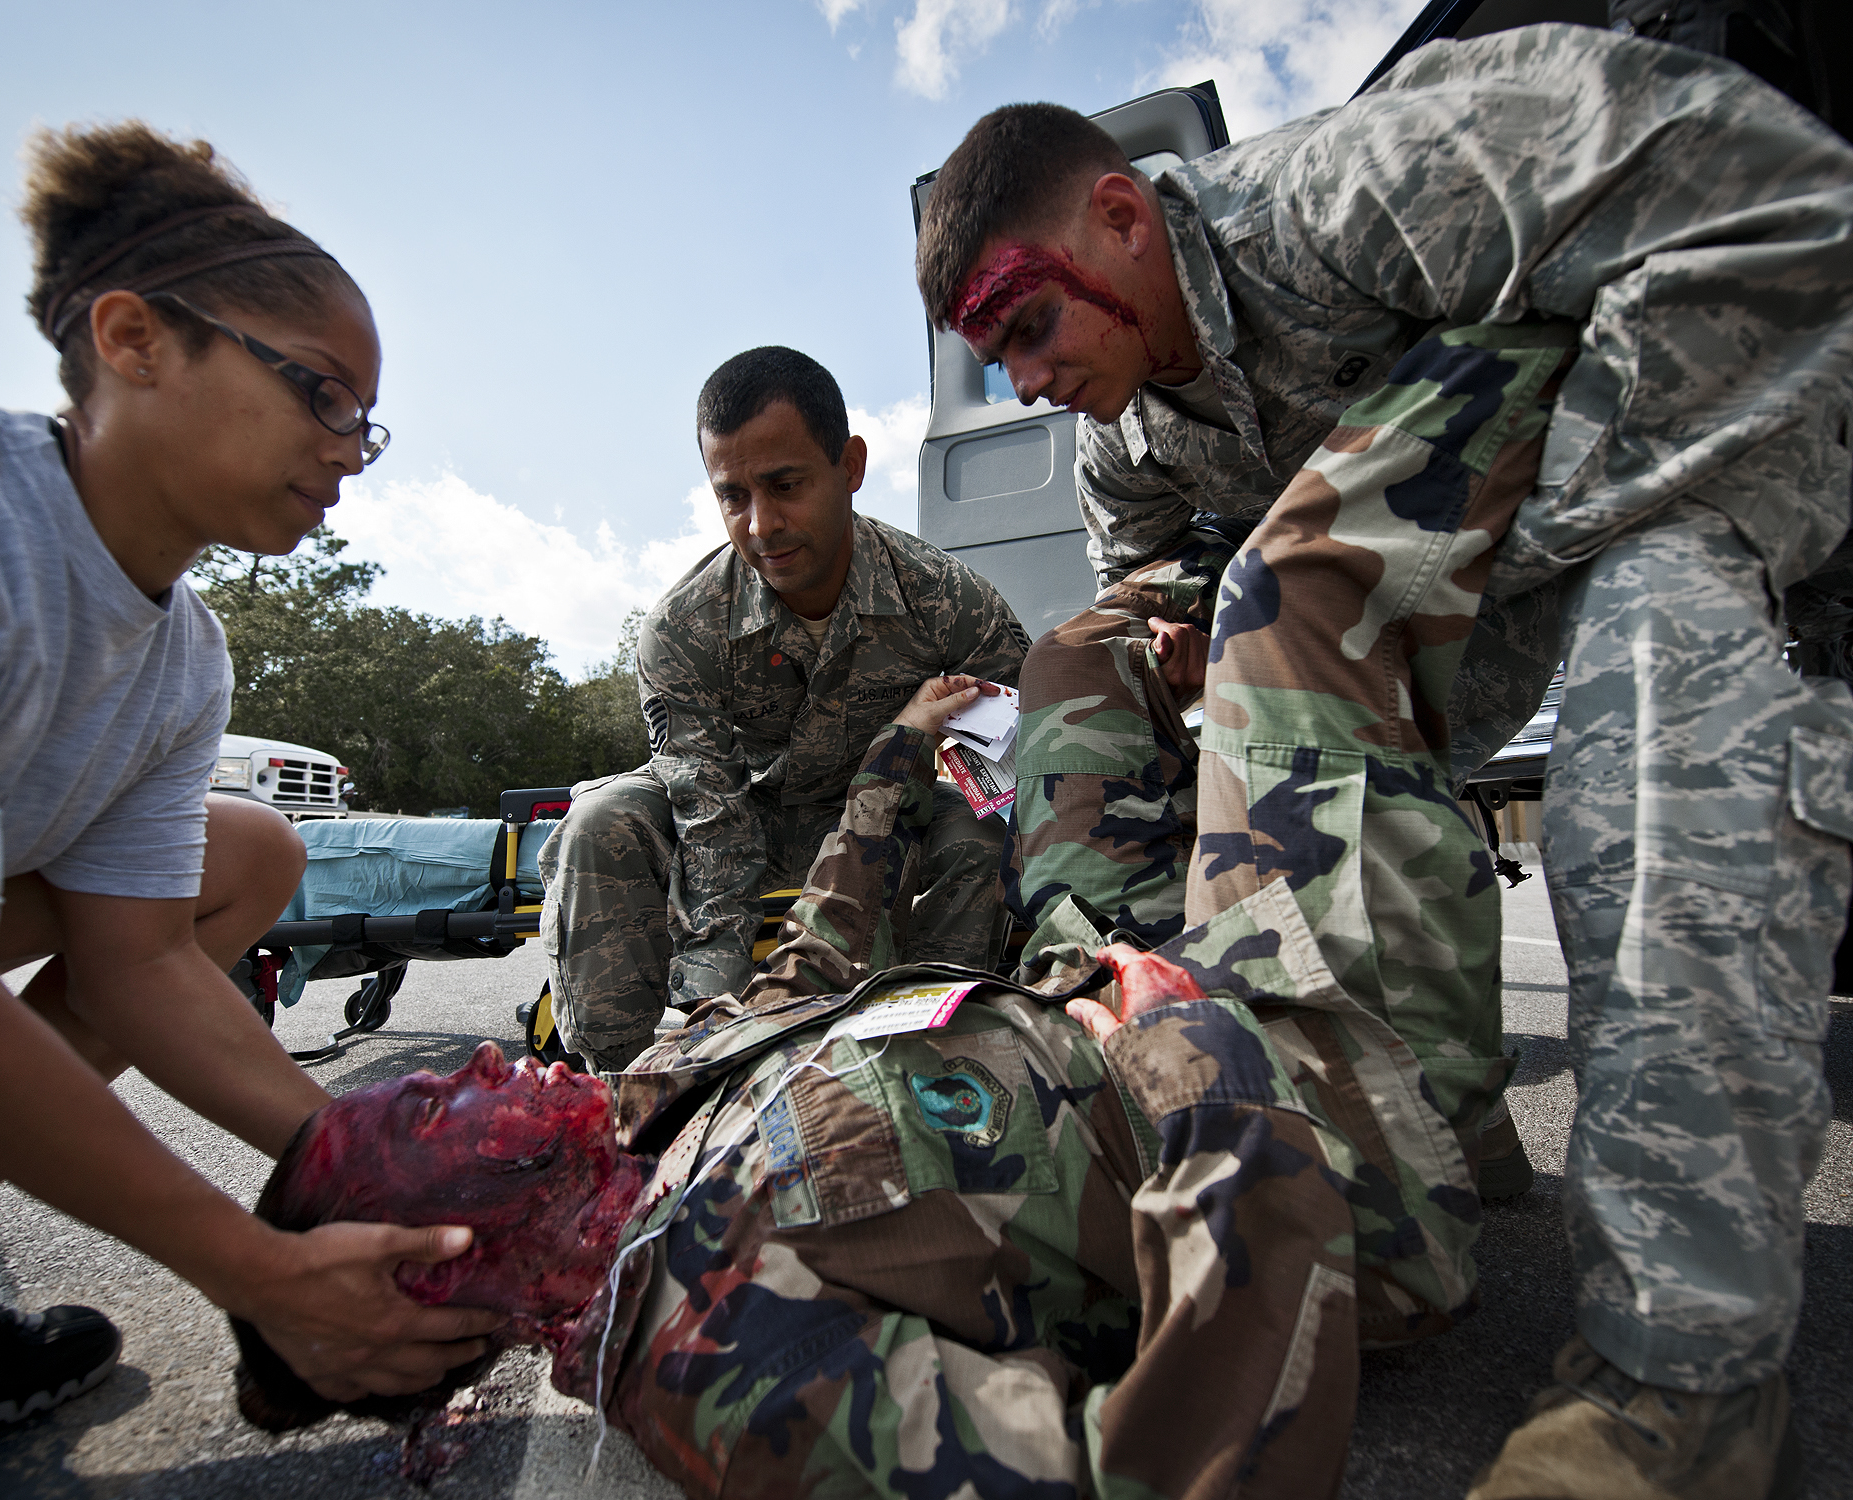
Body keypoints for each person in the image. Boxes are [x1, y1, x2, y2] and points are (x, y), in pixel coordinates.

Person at [915, 21, 1852, 1499]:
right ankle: (1250, 1097)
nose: (1027, 381)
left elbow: (1769, 198)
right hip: (1385, 595)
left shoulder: (1346, 193)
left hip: (1663, 471)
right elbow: (1174, 598)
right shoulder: (1125, 438)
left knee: (1644, 722)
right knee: (1084, 666)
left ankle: (1687, 1381)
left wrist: (1523, 551)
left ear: (1123, 218)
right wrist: (1201, 656)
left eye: (1031, 325)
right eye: (998, 359)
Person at [238, 673, 1486, 1500]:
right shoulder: (724, 1369)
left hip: (1148, 980)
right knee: (1297, 620)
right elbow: (1162, 1477)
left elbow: (814, 955)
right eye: (423, 1108)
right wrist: (1201, 1074)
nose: (474, 1060)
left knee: (1090, 672)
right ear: (441, 1267)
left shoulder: (655, 1107)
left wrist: (900, 749)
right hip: (1336, 1131)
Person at [0, 122, 499, 1464]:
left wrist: (394, 1167)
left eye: (365, 420)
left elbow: (138, 963)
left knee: (246, 858)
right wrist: (259, 1270)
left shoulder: (182, 655)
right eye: (321, 394)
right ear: (134, 339)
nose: (350, 450)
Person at [539, 346, 1029, 1071]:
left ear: (851, 466)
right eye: (733, 496)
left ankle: (930, 1055)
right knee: (600, 821)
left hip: (883, 811)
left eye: (785, 485)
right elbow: (710, 818)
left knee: (981, 829)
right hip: (739, 815)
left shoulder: (946, 601)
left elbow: (1023, 748)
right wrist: (713, 1019)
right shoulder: (683, 628)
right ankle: (622, 1084)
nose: (761, 524)